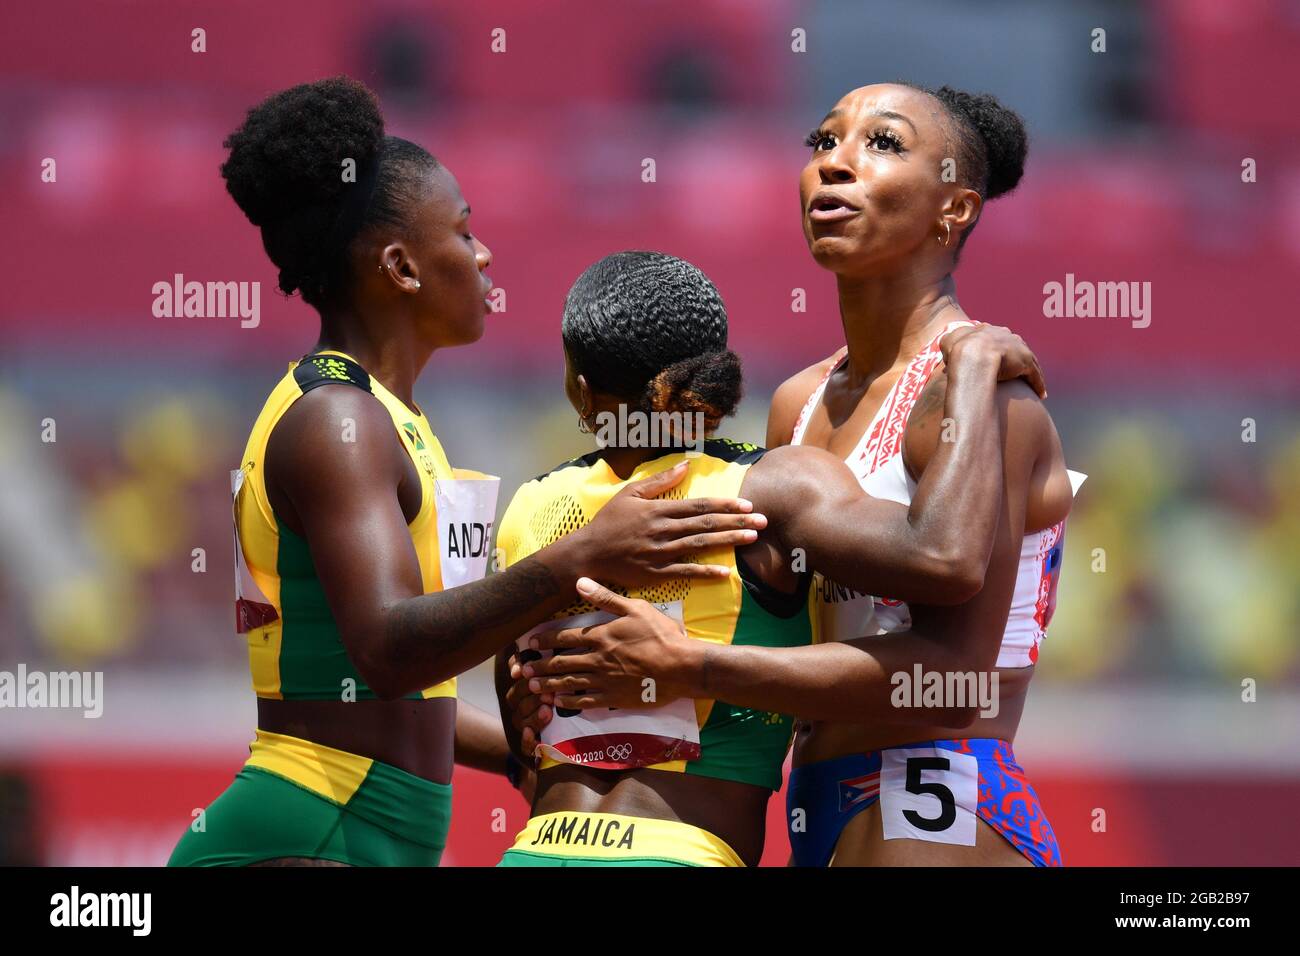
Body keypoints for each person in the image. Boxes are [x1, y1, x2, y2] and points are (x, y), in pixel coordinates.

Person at [167, 78, 762, 868]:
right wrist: (578, 559)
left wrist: (528, 750)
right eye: (464, 230)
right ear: (402, 269)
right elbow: (387, 651)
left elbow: (395, 693)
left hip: (357, 824)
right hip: (309, 828)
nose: (484, 255)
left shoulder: (384, 418)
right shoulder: (339, 421)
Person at [516, 84, 1076, 867]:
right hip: (813, 797)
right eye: (822, 141)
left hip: (935, 791)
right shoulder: (799, 402)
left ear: (955, 209)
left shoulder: (986, 396)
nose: (836, 164)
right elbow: (769, 623)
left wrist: (688, 665)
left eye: (883, 144)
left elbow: (953, 683)